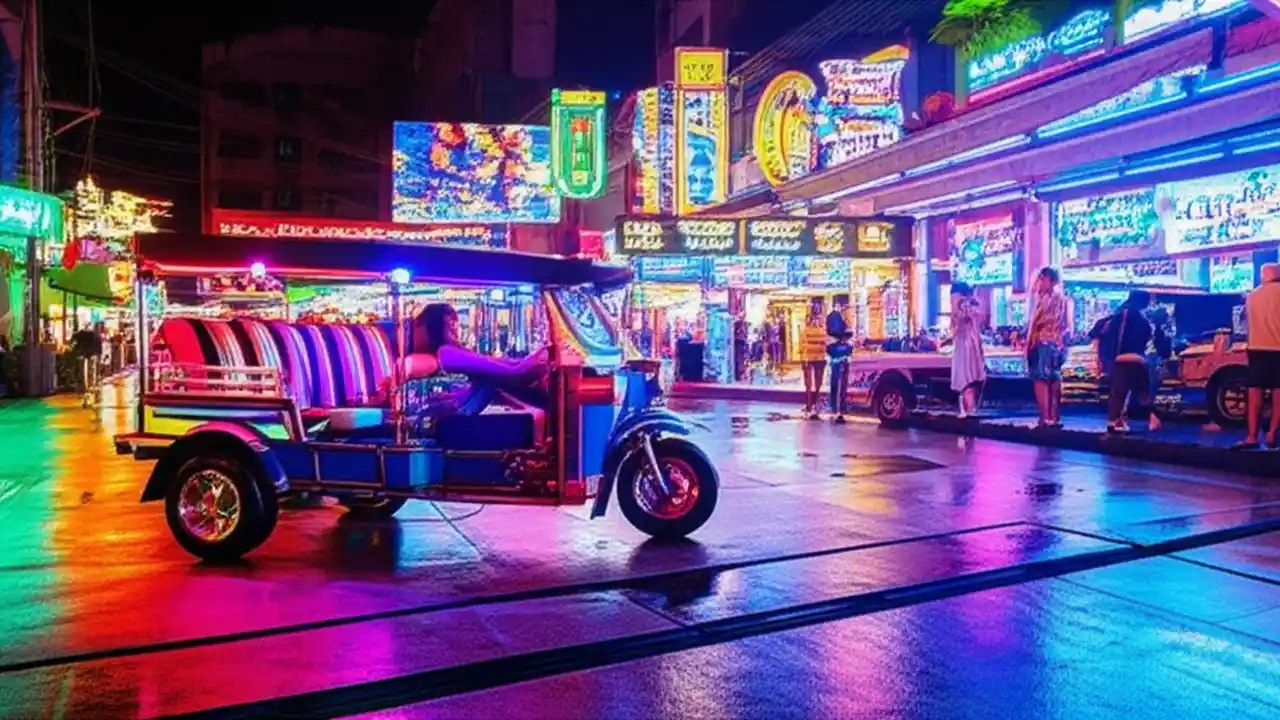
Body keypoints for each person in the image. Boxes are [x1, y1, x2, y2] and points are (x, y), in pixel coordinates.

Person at [397, 303, 549, 409]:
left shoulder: (447, 353)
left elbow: (502, 364)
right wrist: (536, 358)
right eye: (449, 324)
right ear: (436, 328)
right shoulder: (446, 353)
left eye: (455, 323)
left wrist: (534, 359)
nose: (455, 329)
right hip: (463, 415)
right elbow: (507, 370)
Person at [1099, 291, 1154, 434]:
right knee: (1128, 391)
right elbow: (1146, 335)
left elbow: (1100, 330)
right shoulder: (1138, 316)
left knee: (1118, 390)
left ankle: (1114, 420)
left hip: (1118, 357)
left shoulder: (1120, 313)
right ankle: (1119, 420)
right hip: (1133, 357)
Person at [1238, 263, 1280, 449]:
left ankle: (1252, 435)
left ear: (1263, 276)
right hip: (1278, 348)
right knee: (1279, 393)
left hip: (1256, 348)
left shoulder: (1251, 297)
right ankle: (1272, 434)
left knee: (1255, 392)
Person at [1026, 267, 1067, 428]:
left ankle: (1045, 416)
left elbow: (1037, 323)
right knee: (1053, 379)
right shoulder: (1062, 300)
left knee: (1041, 379)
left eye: (1042, 279)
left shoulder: (1047, 300)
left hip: (1042, 341)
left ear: (1051, 281)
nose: (1039, 282)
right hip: (1055, 343)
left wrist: (1030, 340)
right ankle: (1053, 416)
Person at [949, 282, 986, 418]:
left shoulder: (959, 304)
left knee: (966, 381)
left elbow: (957, 324)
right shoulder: (974, 303)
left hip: (964, 345)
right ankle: (970, 411)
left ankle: (969, 413)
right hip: (974, 344)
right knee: (971, 381)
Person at [826, 295, 853, 424]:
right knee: (837, 382)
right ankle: (837, 409)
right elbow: (834, 333)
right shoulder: (833, 317)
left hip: (841, 352)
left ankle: (839, 407)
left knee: (841, 382)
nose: (844, 308)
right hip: (837, 353)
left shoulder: (842, 317)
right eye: (843, 306)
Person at [799, 301, 828, 420]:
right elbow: (802, 345)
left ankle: (814, 405)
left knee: (817, 384)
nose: (817, 320)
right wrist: (803, 358)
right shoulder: (807, 330)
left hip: (819, 359)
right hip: (811, 359)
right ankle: (810, 405)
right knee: (810, 384)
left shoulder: (822, 330)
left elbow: (826, 344)